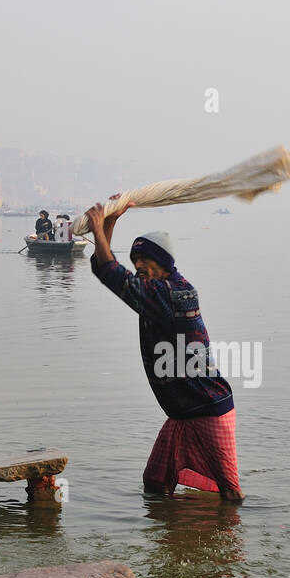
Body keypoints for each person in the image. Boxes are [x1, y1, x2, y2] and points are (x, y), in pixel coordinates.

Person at [86, 199, 243, 502]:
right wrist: (109, 223)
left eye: (145, 260)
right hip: (181, 412)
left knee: (231, 494)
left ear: (164, 263)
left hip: (208, 408)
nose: (138, 266)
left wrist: (98, 228)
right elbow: (107, 270)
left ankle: (228, 542)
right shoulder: (154, 292)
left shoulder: (174, 293)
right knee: (155, 483)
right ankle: (175, 535)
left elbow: (112, 273)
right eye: (135, 261)